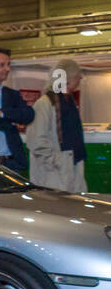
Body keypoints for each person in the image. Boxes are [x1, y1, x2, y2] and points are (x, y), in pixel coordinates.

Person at [27, 58, 87, 193]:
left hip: (72, 168)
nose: (80, 79)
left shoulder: (69, 102)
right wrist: (58, 161)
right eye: (77, 76)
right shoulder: (45, 104)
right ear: (68, 79)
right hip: (53, 174)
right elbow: (36, 142)